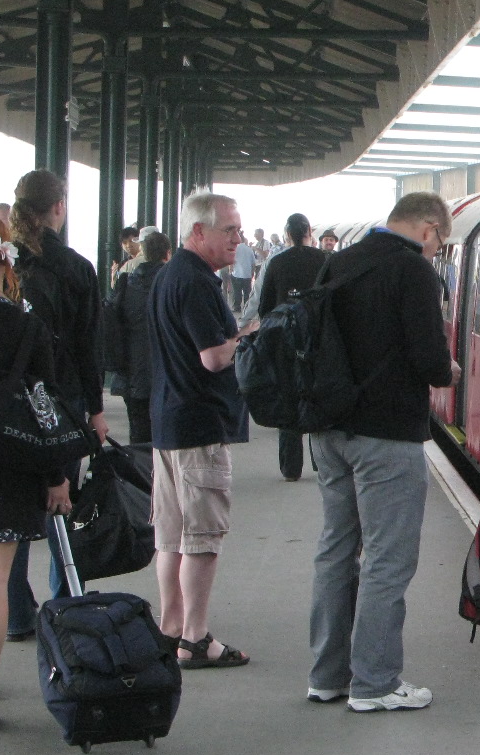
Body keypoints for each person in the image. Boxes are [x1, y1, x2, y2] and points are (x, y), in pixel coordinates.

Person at [308, 192, 458, 712]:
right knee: (388, 559)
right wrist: (448, 371)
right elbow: (431, 360)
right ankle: (374, 682)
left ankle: (327, 676)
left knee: (335, 550)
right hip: (386, 435)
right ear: (428, 228)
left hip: (329, 430)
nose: (439, 250)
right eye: (442, 240)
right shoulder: (414, 273)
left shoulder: (339, 261)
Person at [0, 214, 73, 730]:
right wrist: (56, 476)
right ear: (6, 257)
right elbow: (45, 407)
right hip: (6, 463)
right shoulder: (26, 325)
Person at [148, 191, 252, 669]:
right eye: (228, 230)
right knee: (203, 536)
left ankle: (171, 628)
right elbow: (213, 357)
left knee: (170, 536)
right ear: (198, 233)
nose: (239, 238)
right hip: (199, 425)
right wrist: (243, 337)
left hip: (168, 422)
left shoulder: (167, 276)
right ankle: (196, 638)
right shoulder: (199, 283)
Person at [5, 170, 110, 641]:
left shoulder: (5, 264)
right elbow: (90, 347)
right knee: (62, 501)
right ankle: (65, 606)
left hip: (9, 403)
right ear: (59, 208)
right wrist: (95, 408)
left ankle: (15, 614)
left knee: (11, 515)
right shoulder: (76, 268)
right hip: (62, 402)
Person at [255, 213, 328, 481]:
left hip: (284, 342)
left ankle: (290, 468)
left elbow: (265, 308)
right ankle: (321, 464)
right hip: (318, 342)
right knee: (318, 398)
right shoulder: (325, 260)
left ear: (286, 234)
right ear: (309, 231)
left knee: (289, 399)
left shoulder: (277, 263)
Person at [105, 229, 171, 445]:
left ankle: (142, 475)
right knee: (166, 436)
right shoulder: (173, 285)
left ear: (142, 251)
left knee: (138, 432)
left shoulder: (126, 282)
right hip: (167, 374)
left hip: (132, 371)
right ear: (168, 254)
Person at [228, 234, 255, 314]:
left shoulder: (235, 249)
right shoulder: (249, 249)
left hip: (237, 273)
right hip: (247, 274)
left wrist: (230, 269)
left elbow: (231, 261)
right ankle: (247, 308)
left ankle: (237, 307)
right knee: (247, 292)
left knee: (237, 292)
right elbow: (253, 263)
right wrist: (252, 272)